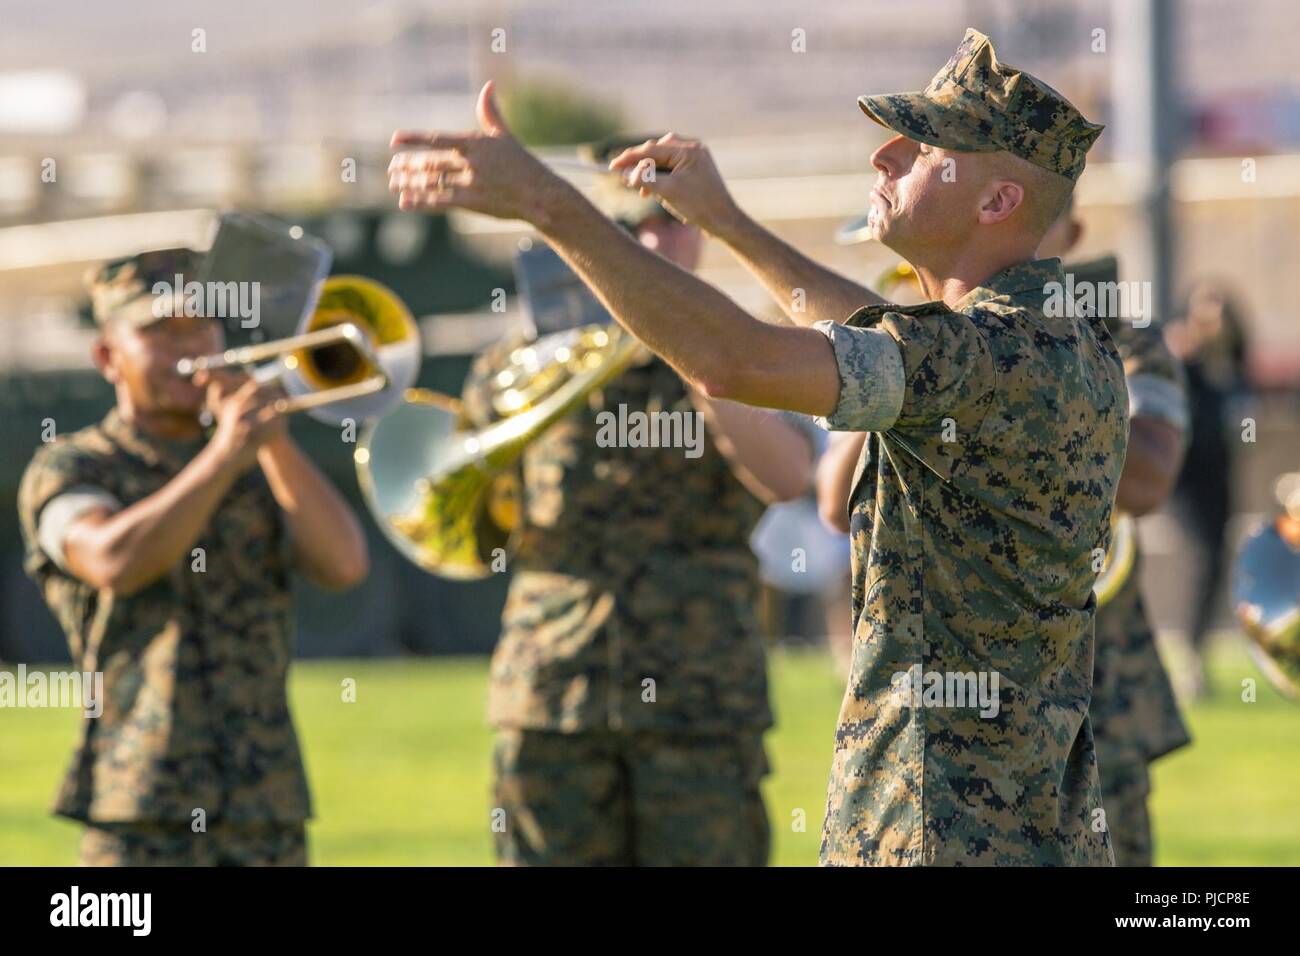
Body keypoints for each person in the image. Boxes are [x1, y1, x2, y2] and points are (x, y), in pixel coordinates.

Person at [387, 28, 1127, 865]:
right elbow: (864, 330)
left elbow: (733, 361)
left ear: (996, 204)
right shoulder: (1039, 340)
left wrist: (549, 206)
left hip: (943, 827)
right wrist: (727, 222)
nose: (884, 157)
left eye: (921, 148)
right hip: (1000, 823)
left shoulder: (985, 356)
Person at [461, 137, 816, 866]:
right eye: (630, 229)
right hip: (554, 694)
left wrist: (695, 348)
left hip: (699, 698)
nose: (654, 242)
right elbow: (468, 513)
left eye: (669, 223)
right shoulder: (515, 364)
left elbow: (786, 479)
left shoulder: (744, 349)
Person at [16, 248, 370, 866]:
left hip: (264, 806)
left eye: (201, 326)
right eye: (160, 332)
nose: (188, 348)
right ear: (107, 357)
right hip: (138, 804)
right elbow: (115, 562)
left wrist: (274, 443)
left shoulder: (257, 458)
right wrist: (224, 456)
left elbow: (343, 566)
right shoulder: (71, 464)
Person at [1035, 200, 1191, 865]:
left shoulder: (1116, 326)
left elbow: (1148, 478)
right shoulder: (921, 337)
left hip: (1095, 693)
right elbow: (837, 505)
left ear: (1071, 233)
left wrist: (1006, 388)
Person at [1164, 281, 1251, 698]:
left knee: (1216, 561)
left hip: (1220, 477)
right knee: (1199, 558)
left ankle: (1197, 650)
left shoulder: (1232, 368)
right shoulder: (1185, 361)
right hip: (1186, 478)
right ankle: (1186, 658)